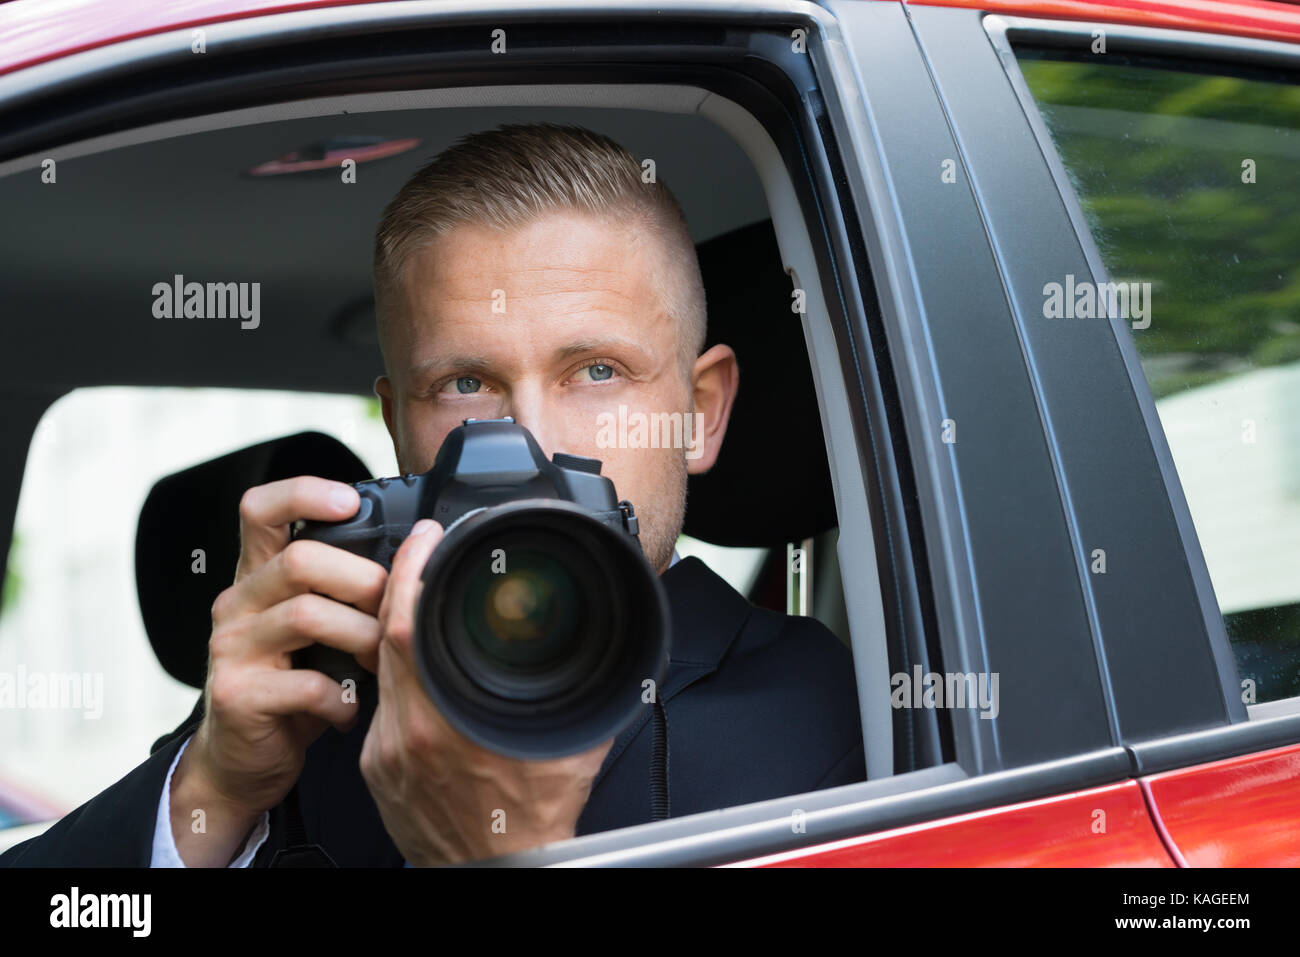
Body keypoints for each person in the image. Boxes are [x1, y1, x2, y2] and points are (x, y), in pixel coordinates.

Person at [0, 123, 865, 867]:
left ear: (698, 414)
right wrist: (212, 793)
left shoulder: (818, 719)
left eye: (596, 370)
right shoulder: (318, 686)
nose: (528, 436)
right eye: (462, 382)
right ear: (397, 428)